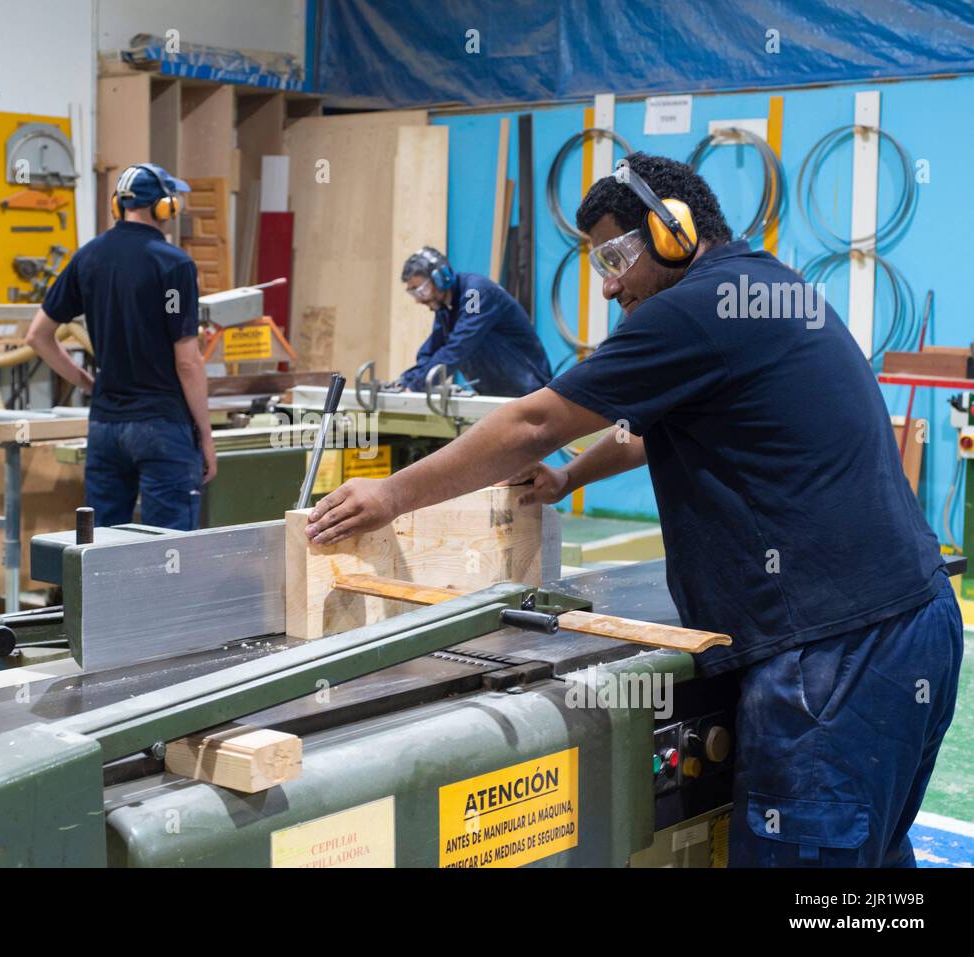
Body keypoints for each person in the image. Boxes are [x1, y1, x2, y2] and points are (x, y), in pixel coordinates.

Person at [304, 153, 961, 867]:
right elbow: (644, 428)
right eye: (598, 264)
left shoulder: (694, 308)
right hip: (911, 623)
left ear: (673, 229)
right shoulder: (762, 285)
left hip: (835, 656)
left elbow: (534, 423)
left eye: (617, 255)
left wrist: (389, 494)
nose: (611, 283)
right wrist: (568, 478)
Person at [25, 162, 216, 531]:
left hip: (105, 427)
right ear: (165, 208)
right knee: (169, 548)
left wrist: (87, 384)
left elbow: (38, 336)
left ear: (118, 206)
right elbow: (188, 362)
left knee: (101, 548)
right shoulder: (173, 265)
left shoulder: (88, 257)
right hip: (162, 427)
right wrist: (206, 436)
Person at [397, 246, 553, 397]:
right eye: (413, 293)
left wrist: (417, 386)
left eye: (421, 290)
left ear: (441, 278)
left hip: (529, 390)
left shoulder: (476, 293)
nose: (418, 300)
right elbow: (433, 349)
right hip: (498, 393)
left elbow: (459, 346)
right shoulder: (446, 307)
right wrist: (407, 381)